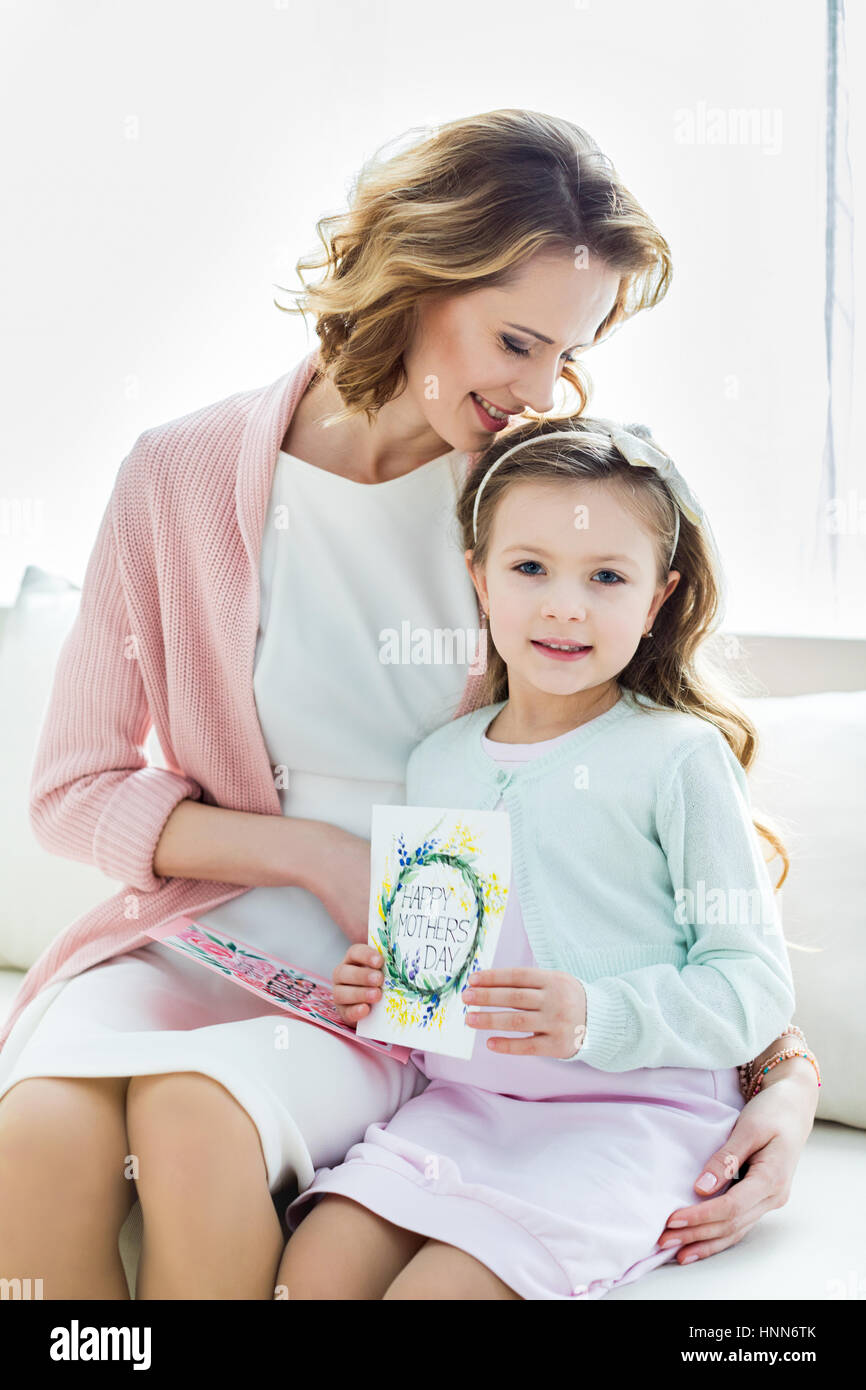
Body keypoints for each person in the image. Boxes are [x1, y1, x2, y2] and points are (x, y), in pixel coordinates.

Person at [0, 109, 820, 1301]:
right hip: (198, 933)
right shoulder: (175, 477)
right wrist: (315, 856)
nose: (536, 389)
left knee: (197, 1121)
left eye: (566, 353)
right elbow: (73, 794)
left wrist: (780, 1074)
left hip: (393, 988)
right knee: (36, 1136)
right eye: (515, 340)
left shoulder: (539, 511)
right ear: (413, 278)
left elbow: (660, 787)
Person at [278, 415, 815, 1300]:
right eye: (530, 568)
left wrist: (595, 1015)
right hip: (462, 1112)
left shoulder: (679, 759)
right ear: (479, 581)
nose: (566, 604)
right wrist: (384, 991)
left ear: (655, 600)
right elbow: (438, 971)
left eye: (607, 577)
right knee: (313, 1268)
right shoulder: (438, 760)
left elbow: (753, 988)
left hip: (630, 1118)